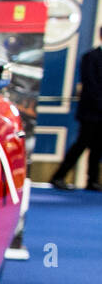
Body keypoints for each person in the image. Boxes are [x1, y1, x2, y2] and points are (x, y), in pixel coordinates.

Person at [51, 25, 102, 191]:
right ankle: (59, 176)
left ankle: (92, 181)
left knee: (97, 148)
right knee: (81, 144)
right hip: (91, 111)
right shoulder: (90, 56)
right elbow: (90, 84)